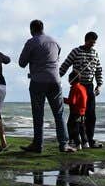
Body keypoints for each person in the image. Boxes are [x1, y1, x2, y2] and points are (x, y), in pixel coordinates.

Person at [17, 19, 71, 153]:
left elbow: (21, 63)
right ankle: (63, 144)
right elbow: (56, 58)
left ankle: (38, 145)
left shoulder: (32, 42)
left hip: (38, 81)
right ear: (43, 28)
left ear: (32, 30)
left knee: (38, 114)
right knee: (59, 114)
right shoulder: (55, 41)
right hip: (55, 80)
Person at [59, 31, 103, 146]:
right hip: (77, 86)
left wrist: (99, 85)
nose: (92, 45)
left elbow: (98, 70)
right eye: (91, 42)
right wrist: (56, 78)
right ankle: (74, 139)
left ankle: (89, 140)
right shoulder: (76, 51)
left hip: (89, 87)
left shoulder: (95, 53)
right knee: (75, 115)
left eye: (94, 43)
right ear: (86, 40)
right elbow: (65, 65)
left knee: (90, 115)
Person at [64, 79, 89, 150]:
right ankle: (85, 143)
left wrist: (62, 99)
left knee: (72, 127)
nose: (68, 80)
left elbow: (72, 102)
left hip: (75, 112)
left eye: (69, 78)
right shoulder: (83, 87)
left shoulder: (74, 88)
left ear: (72, 79)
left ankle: (77, 144)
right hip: (83, 111)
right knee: (82, 128)